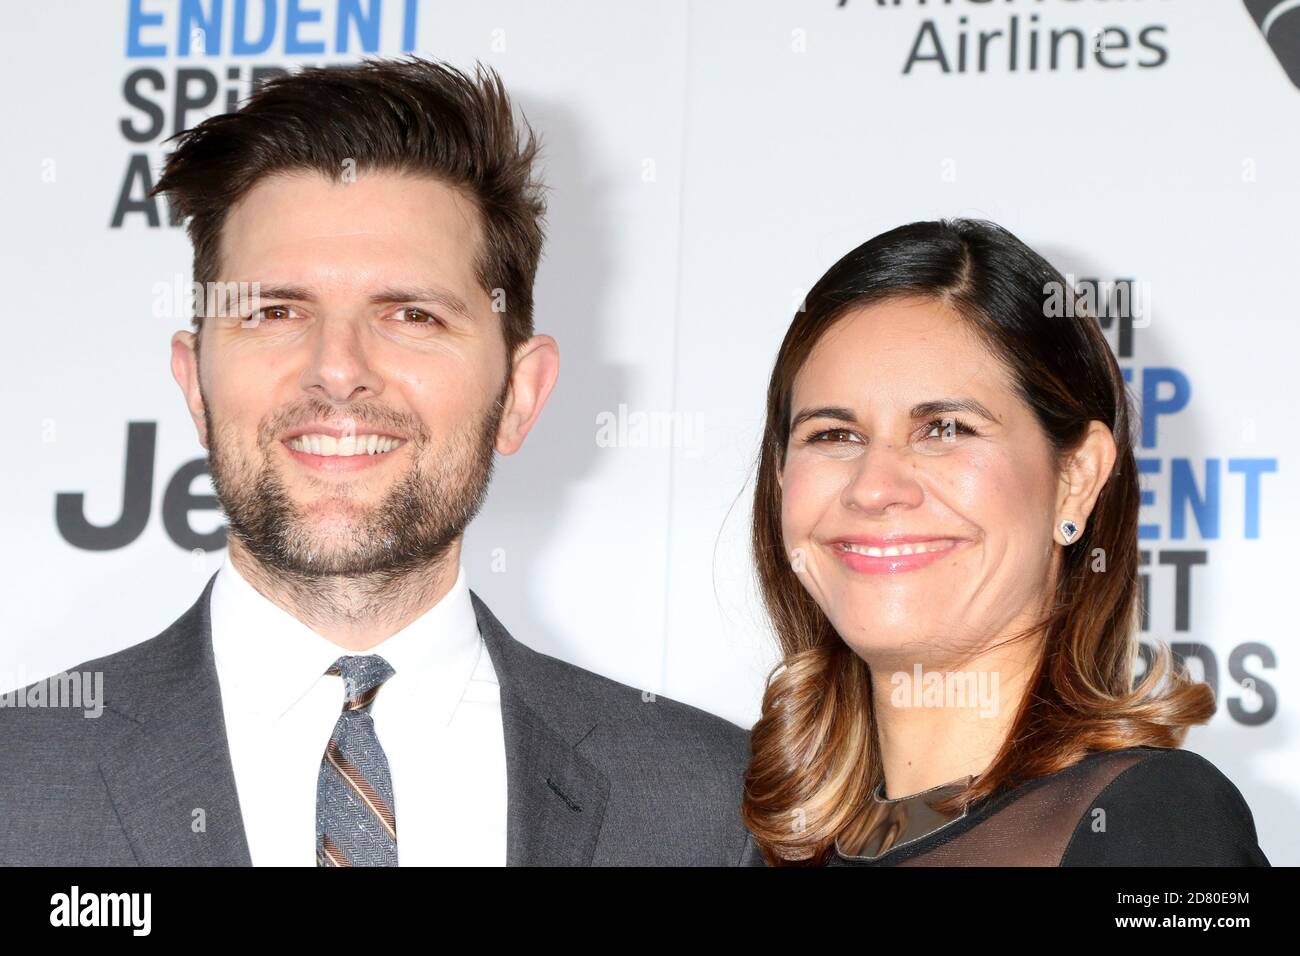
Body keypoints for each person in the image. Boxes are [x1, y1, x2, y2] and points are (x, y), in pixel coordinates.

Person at [0, 56, 756, 867]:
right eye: (276, 311)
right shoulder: (20, 780)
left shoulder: (710, 806)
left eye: (412, 314)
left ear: (521, 394)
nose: (338, 368)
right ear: (195, 385)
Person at [740, 218, 1270, 866]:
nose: (874, 487)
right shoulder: (757, 837)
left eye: (944, 428)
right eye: (833, 435)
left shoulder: (1149, 824)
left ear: (1075, 479)